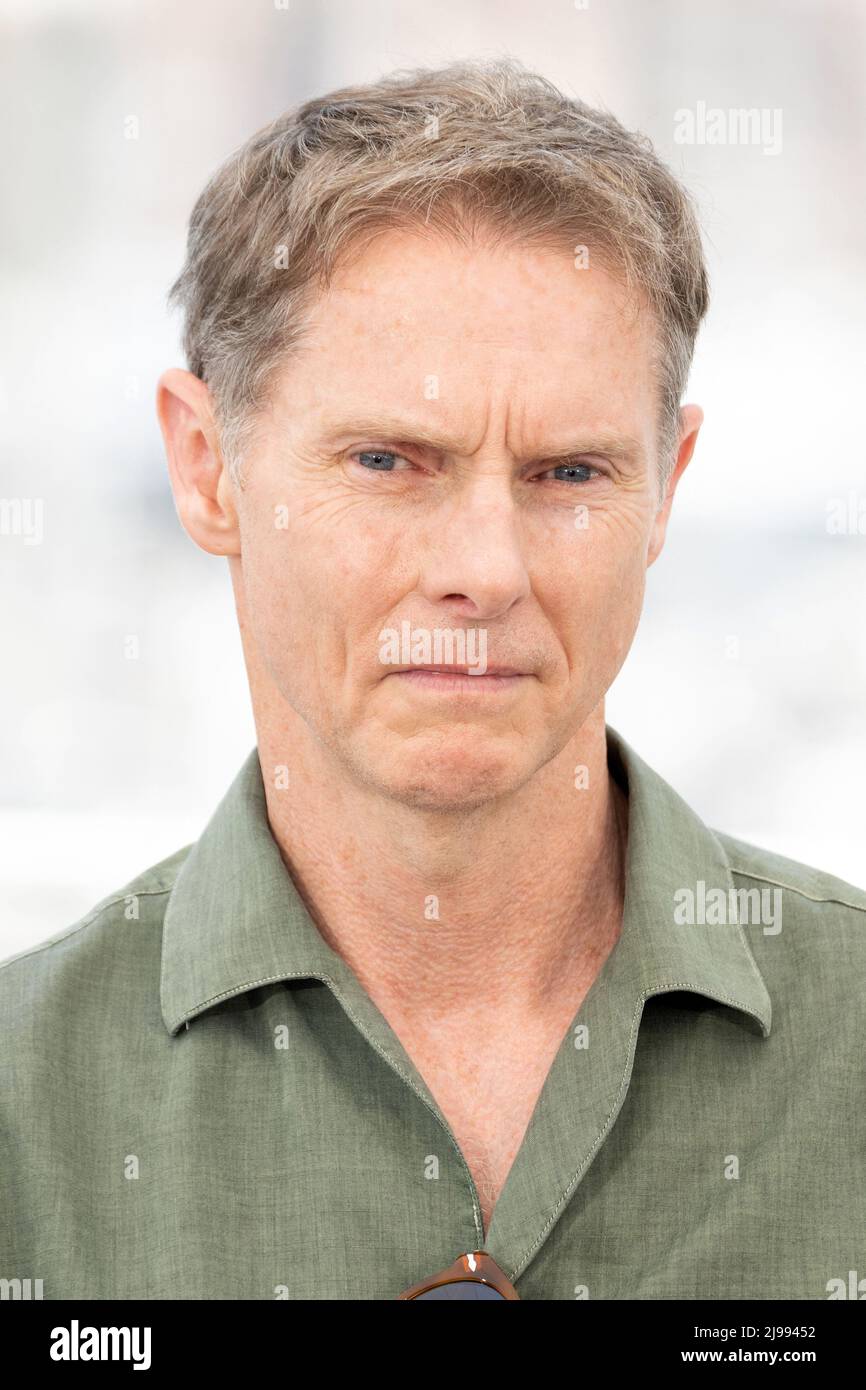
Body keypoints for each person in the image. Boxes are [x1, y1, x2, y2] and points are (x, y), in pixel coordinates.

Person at [2, 58, 864, 1302]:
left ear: (666, 488)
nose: (484, 570)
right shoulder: (24, 1111)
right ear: (204, 466)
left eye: (569, 474)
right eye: (388, 461)